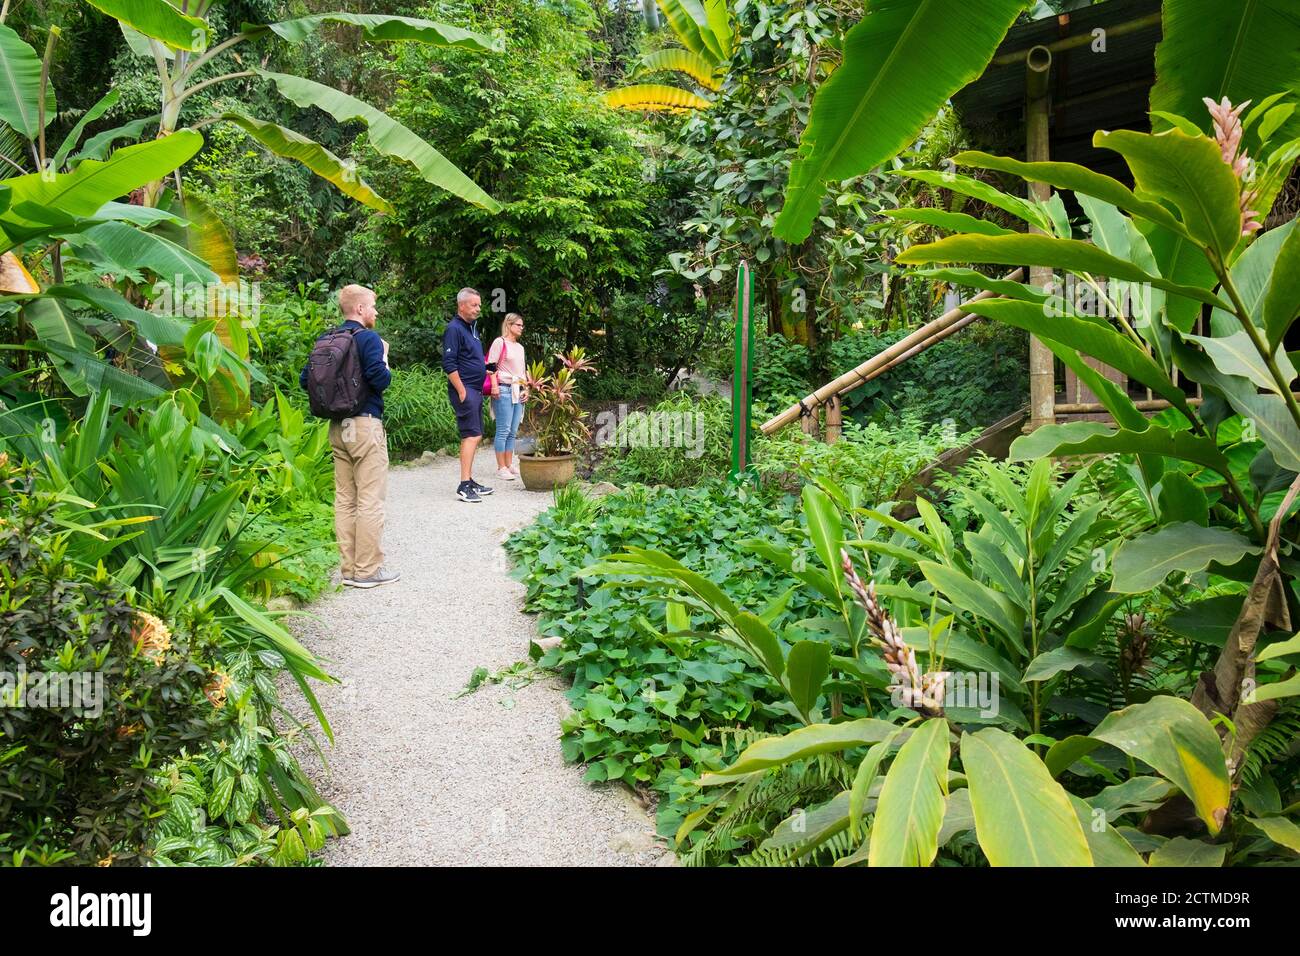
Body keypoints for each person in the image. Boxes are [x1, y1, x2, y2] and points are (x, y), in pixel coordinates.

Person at [300, 284, 399, 588]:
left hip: (337, 427)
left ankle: (349, 569)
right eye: (372, 306)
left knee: (345, 499)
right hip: (365, 424)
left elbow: (306, 379)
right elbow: (380, 380)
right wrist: (383, 355)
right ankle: (368, 571)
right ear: (359, 309)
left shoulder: (327, 339)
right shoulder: (369, 339)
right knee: (370, 499)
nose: (376, 311)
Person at [441, 288, 494, 503]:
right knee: (470, 435)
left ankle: (469, 480)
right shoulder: (453, 329)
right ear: (461, 305)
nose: (478, 309)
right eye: (474, 305)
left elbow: (470, 357)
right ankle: (464, 485)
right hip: (466, 391)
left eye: (479, 305)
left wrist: (484, 368)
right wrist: (462, 390)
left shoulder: (472, 328)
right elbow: (449, 363)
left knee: (476, 433)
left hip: (476, 388)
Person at [487, 313, 527, 480]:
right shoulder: (500, 342)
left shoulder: (520, 347)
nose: (521, 328)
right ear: (509, 325)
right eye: (518, 325)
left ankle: (509, 464)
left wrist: (526, 389)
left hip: (518, 389)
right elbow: (490, 365)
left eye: (522, 326)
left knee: (513, 431)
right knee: (503, 430)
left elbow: (523, 371)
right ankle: (500, 467)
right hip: (503, 389)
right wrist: (494, 386)